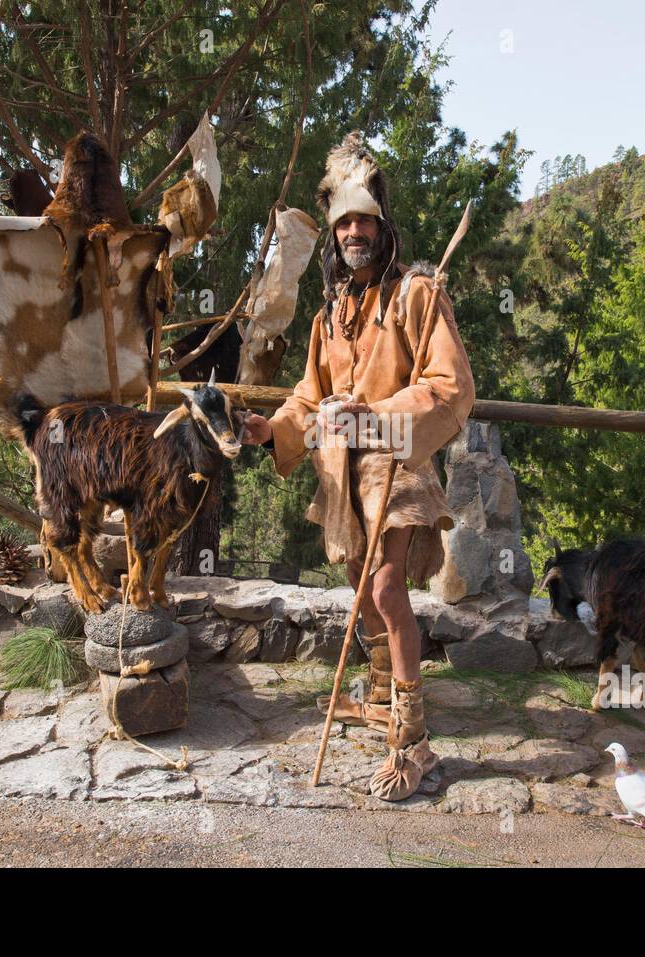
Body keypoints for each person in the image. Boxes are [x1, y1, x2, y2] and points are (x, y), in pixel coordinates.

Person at [240, 132, 475, 800]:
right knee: (360, 585)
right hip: (344, 477)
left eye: (363, 218)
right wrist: (271, 428)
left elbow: (450, 386)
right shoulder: (331, 316)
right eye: (342, 220)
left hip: (400, 464)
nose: (352, 230)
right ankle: (380, 693)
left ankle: (415, 741)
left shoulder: (418, 296)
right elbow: (308, 399)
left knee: (386, 591)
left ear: (382, 225)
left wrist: (373, 416)